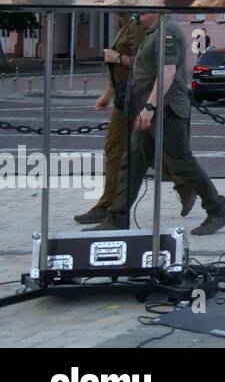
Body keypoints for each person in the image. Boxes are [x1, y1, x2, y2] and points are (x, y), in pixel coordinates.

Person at [86, 11, 225, 235]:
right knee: (132, 161)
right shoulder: (152, 32)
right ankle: (117, 218)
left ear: (155, 10)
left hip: (166, 111)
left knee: (182, 163)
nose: (136, 13)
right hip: (151, 111)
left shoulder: (168, 32)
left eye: (142, 9)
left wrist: (150, 107)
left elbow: (167, 72)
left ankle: (217, 209)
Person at [74, 13, 193, 224]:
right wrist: (108, 95)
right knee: (137, 151)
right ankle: (185, 184)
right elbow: (120, 68)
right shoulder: (127, 21)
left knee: (125, 151)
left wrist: (117, 59)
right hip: (126, 96)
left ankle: (109, 206)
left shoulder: (140, 24)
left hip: (139, 98)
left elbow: (146, 63)